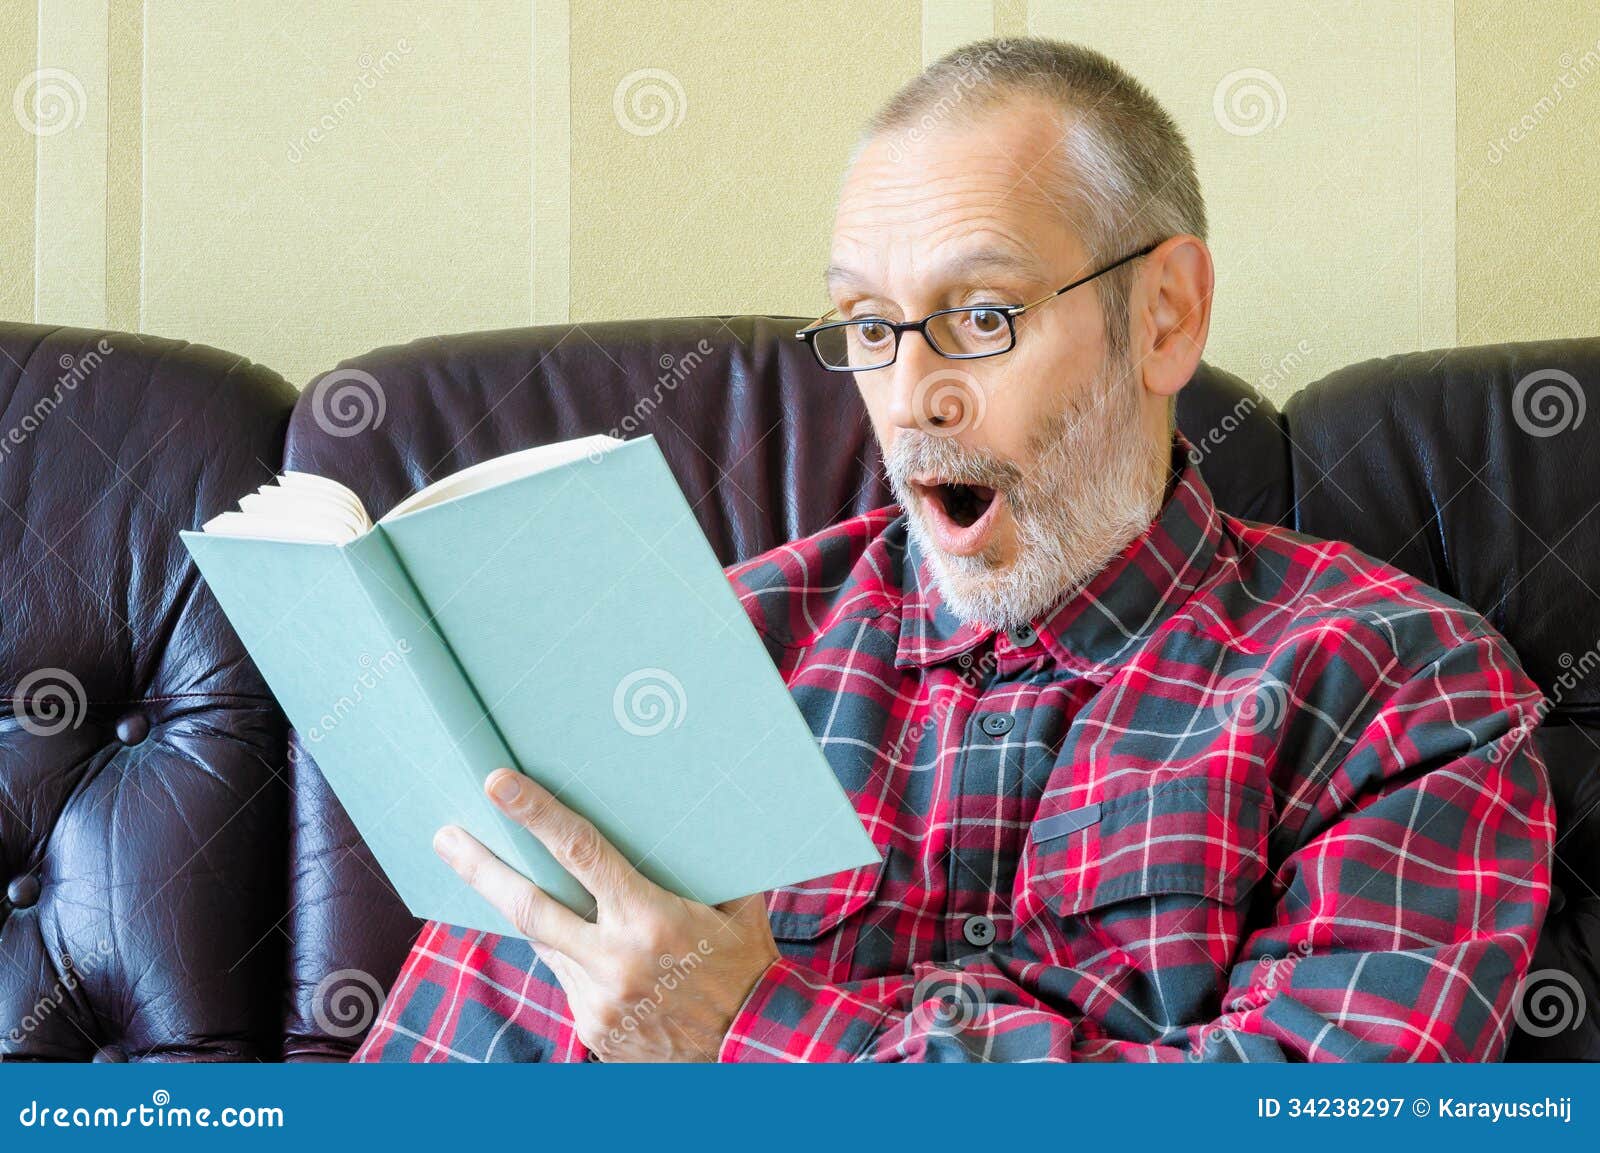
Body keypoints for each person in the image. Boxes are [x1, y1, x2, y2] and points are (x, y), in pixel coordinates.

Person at [354, 37, 1553, 1063]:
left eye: (981, 317)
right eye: (871, 327)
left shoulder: (1397, 685)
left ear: (1167, 316)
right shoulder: (704, 653)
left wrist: (752, 1034)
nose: (910, 397)